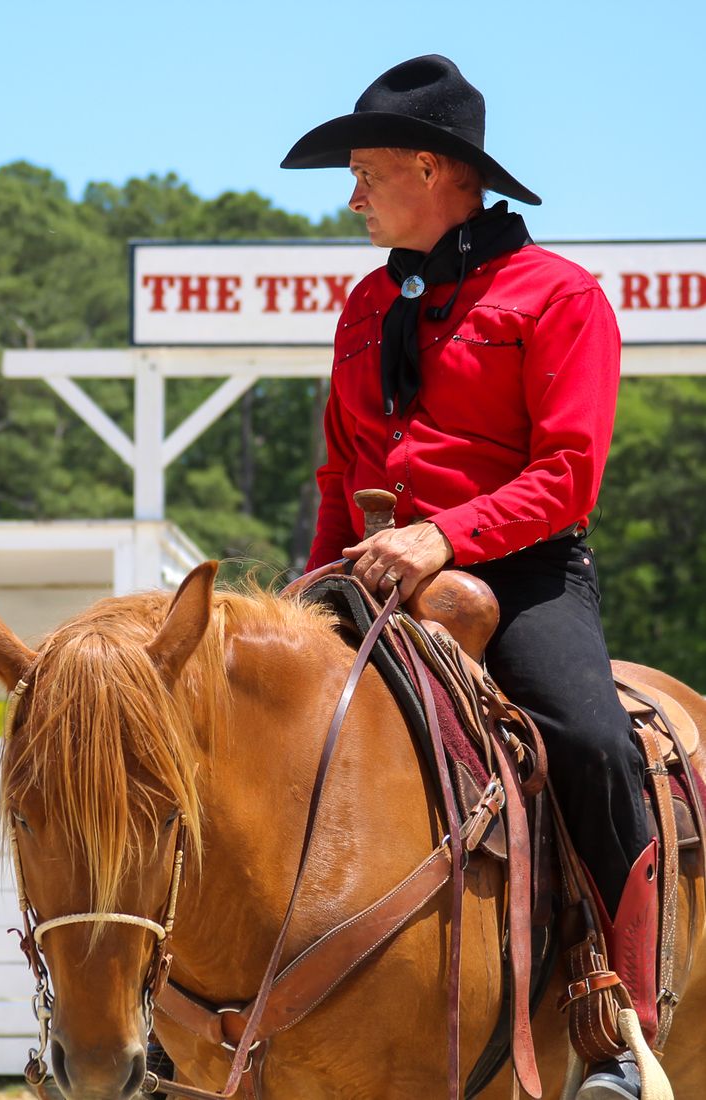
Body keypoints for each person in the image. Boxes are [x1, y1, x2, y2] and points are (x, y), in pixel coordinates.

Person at [283, 55, 655, 1100]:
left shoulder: (559, 296)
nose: (350, 196)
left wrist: (442, 539)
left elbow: (567, 475)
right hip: (362, 573)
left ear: (430, 168)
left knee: (587, 736)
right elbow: (335, 472)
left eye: (363, 172)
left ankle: (617, 1021)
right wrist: (299, 598)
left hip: (524, 574)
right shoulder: (363, 306)